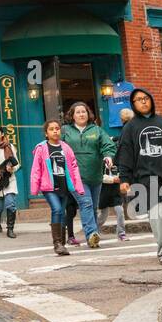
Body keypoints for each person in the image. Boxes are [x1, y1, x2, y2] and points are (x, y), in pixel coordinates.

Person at [117, 89, 162, 266]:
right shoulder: (130, 127)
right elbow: (125, 154)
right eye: (138, 100)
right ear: (133, 104)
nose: (143, 102)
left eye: (145, 98)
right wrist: (125, 178)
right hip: (146, 178)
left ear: (151, 100)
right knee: (159, 214)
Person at [30, 119, 98, 254]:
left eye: (57, 128)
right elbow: (36, 168)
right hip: (49, 187)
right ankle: (57, 243)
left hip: (64, 187)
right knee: (57, 210)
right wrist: (35, 187)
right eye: (51, 129)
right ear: (46, 133)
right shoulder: (42, 148)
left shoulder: (66, 147)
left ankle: (61, 243)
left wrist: (78, 187)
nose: (55, 131)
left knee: (62, 213)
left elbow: (74, 168)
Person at [61, 102, 116, 248]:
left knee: (92, 207)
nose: (81, 114)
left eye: (83, 111)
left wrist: (108, 156)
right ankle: (91, 233)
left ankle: (93, 235)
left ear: (88, 114)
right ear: (72, 116)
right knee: (86, 203)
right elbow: (56, 147)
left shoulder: (96, 130)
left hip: (95, 176)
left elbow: (108, 145)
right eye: (77, 112)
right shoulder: (65, 130)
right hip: (75, 176)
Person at [98, 108, 132, 240]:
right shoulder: (103, 160)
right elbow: (100, 177)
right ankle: (94, 230)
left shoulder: (119, 159)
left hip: (115, 190)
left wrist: (122, 178)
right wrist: (113, 180)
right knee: (103, 215)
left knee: (120, 212)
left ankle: (121, 233)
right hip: (105, 189)